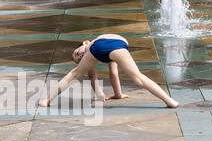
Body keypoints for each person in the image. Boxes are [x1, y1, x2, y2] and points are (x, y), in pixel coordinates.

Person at [38, 34, 180, 109]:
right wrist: (116, 94)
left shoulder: (91, 44)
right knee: (138, 78)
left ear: (84, 43)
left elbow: (107, 73)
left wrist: (113, 94)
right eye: (78, 58)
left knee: (74, 73)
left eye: (77, 53)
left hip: (103, 45)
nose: (80, 56)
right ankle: (169, 100)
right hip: (119, 45)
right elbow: (109, 73)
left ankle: (46, 100)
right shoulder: (91, 52)